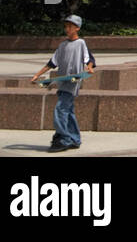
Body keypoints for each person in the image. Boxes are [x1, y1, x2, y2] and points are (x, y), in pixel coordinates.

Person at [31, 15, 96, 153]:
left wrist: (89, 67)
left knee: (60, 110)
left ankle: (63, 138)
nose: (67, 29)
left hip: (73, 82)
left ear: (77, 28)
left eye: (71, 26)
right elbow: (52, 63)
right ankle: (74, 139)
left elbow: (90, 59)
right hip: (63, 81)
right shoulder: (62, 45)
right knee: (68, 111)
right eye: (66, 26)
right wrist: (37, 74)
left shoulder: (81, 43)